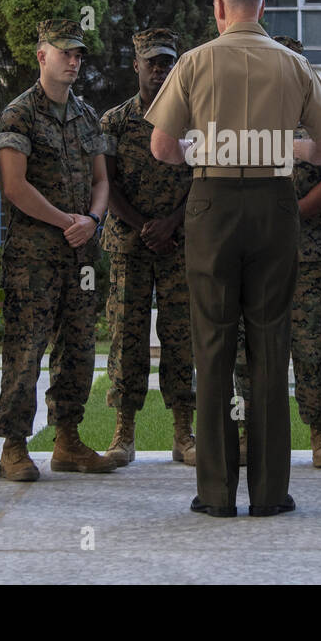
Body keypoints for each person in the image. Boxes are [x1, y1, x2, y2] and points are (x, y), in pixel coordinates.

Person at [145, 0, 321, 518]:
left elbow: (162, 148)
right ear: (263, 8)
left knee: (212, 346)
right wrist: (286, 147)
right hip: (274, 204)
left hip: (210, 205)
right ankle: (269, 493)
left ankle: (214, 494)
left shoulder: (193, 62)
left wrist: (206, 148)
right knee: (270, 346)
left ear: (218, 9)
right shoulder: (294, 63)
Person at [0, 19, 117, 480]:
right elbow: (14, 184)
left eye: (78, 54)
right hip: (34, 255)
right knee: (25, 349)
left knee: (79, 347)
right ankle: (14, 445)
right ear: (41, 56)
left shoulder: (87, 116)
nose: (73, 61)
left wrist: (93, 220)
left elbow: (102, 180)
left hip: (80, 253)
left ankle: (68, 439)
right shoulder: (18, 114)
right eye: (64, 52)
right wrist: (67, 221)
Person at [231, 35, 321, 469]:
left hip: (306, 255)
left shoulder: (317, 118)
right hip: (253, 257)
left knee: (314, 344)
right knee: (248, 350)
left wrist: (290, 215)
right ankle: (249, 433)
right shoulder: (238, 118)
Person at [101, 28, 197, 467]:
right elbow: (107, 185)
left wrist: (172, 222)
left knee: (182, 337)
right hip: (130, 242)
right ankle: (124, 432)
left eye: (167, 63)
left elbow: (203, 179)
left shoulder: (194, 120)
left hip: (180, 242)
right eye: (152, 63)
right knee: (127, 337)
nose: (160, 71)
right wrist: (144, 226)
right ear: (136, 65)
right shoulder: (114, 122)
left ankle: (184, 431)